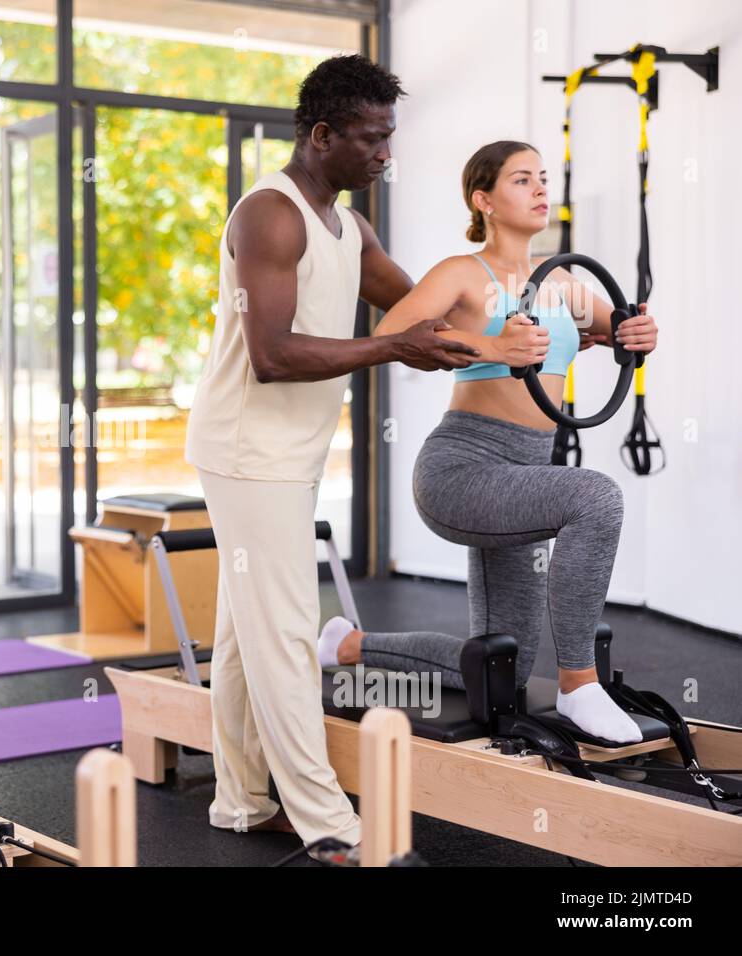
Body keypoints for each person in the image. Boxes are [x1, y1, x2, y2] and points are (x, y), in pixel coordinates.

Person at [183, 54, 481, 851]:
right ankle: (330, 826)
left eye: (390, 137)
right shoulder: (269, 216)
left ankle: (241, 802)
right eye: (372, 138)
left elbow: (430, 313)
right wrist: (392, 351)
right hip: (248, 451)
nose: (387, 154)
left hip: (291, 451)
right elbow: (272, 354)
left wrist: (559, 336)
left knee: (249, 637)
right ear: (322, 135)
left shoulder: (350, 226)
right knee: (285, 635)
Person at [318, 140, 659, 745]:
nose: (539, 188)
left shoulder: (564, 285)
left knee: (506, 665)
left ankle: (346, 643)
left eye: (543, 178)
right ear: (484, 199)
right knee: (596, 498)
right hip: (462, 470)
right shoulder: (462, 273)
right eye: (522, 179)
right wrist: (493, 347)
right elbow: (391, 333)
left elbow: (621, 328)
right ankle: (580, 685)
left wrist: (637, 330)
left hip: (524, 477)